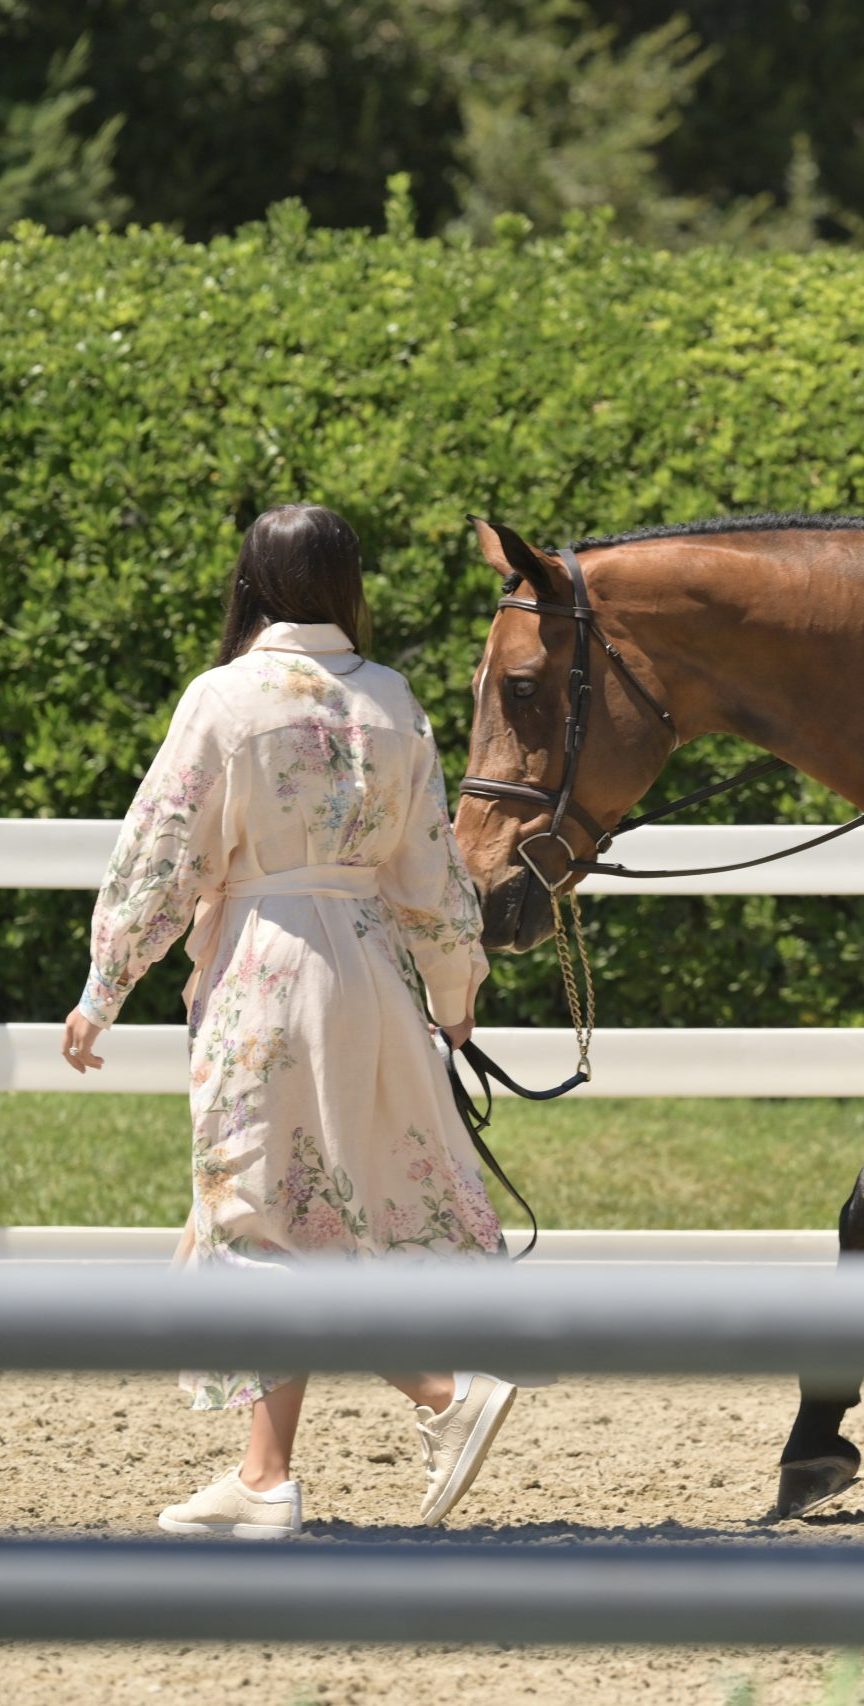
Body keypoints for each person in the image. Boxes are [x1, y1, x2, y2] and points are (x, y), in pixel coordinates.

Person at [60, 502, 521, 1538]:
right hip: (371, 968)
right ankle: (265, 1474)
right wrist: (454, 994)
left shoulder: (225, 698)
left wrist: (105, 984)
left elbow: (162, 846)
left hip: (268, 971)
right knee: (304, 1208)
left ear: (251, 585)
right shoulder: (394, 699)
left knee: (256, 1209)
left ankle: (442, 1391)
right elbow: (435, 869)